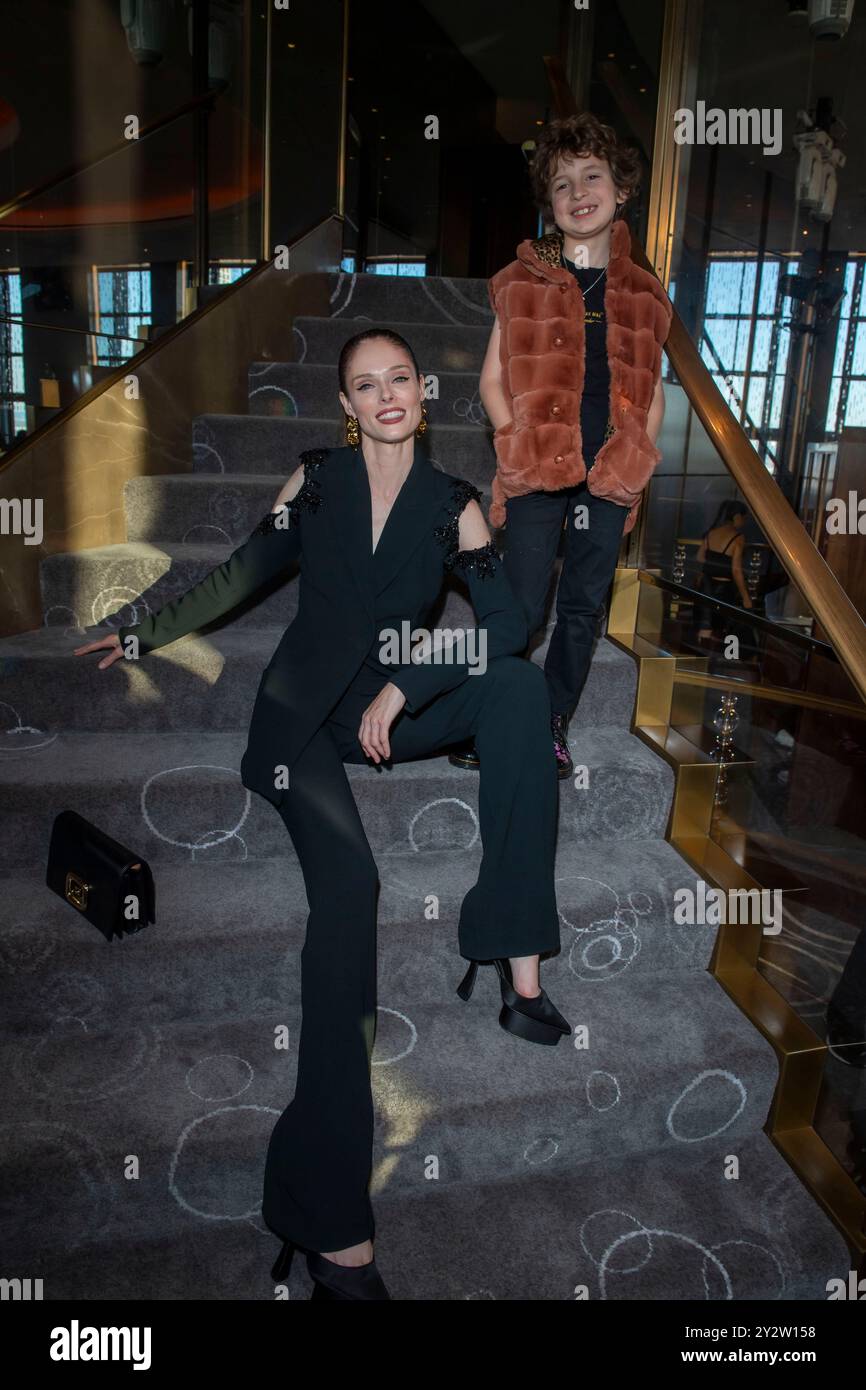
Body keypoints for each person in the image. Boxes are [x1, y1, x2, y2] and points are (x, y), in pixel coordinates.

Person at [74, 328, 570, 1302]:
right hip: (303, 725)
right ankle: (327, 1224)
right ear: (344, 404)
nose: (383, 396)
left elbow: (508, 624)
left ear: (421, 396)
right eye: (362, 385)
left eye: (397, 380)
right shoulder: (315, 484)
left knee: (513, 688)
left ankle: (515, 953)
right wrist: (142, 627)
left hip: (389, 710)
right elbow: (237, 576)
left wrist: (409, 676)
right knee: (351, 886)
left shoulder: (453, 506)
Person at [449, 112, 672, 778]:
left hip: (610, 473)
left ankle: (550, 723)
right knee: (519, 604)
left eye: (592, 176)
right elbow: (493, 379)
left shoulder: (645, 292)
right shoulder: (521, 281)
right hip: (537, 470)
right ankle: (495, 717)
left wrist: (636, 460)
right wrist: (514, 442)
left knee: (581, 606)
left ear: (620, 190)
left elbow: (653, 389)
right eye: (562, 182)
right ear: (548, 202)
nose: (579, 192)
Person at [693, 499, 753, 641]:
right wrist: (745, 597)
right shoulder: (738, 538)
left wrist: (714, 562)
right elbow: (736, 570)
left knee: (705, 626)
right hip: (723, 589)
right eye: (744, 518)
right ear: (737, 516)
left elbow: (700, 557)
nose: (744, 522)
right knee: (722, 630)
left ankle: (701, 657)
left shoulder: (712, 533)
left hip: (705, 585)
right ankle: (720, 659)